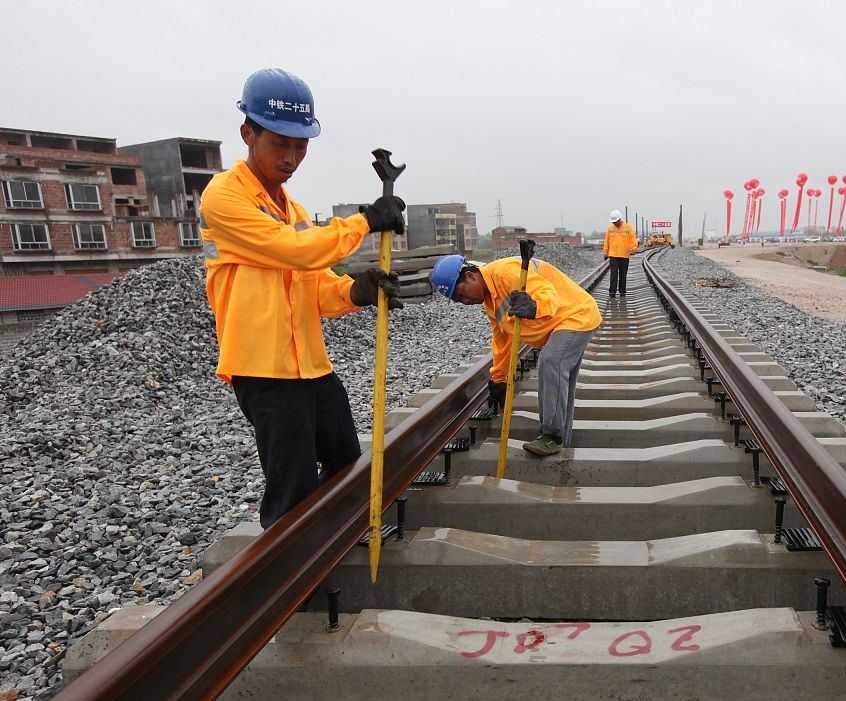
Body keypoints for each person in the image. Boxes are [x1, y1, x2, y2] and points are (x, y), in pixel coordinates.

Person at [200, 67, 407, 528]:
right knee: (291, 487)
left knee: (345, 461)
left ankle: (336, 544)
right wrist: (364, 222)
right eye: (281, 142)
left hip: (309, 361)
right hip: (262, 365)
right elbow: (294, 251)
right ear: (248, 134)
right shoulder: (224, 197)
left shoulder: (288, 206)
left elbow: (310, 282)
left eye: (301, 145)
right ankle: (289, 580)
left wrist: (356, 290)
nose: (293, 156)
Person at [430, 251, 601, 456]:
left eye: (461, 293)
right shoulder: (490, 303)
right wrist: (500, 378)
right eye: (457, 300)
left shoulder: (504, 274)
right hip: (561, 323)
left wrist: (535, 306)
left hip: (575, 315)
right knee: (562, 384)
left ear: (470, 276)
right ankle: (561, 442)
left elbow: (546, 292)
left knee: (551, 363)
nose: (463, 301)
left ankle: (551, 436)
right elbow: (503, 340)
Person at [603, 210, 638, 297]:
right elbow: (606, 241)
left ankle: (622, 291)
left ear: (620, 219)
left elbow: (633, 238)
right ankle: (612, 292)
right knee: (613, 274)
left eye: (615, 221)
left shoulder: (628, 228)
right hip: (613, 255)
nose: (614, 223)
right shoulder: (610, 229)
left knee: (623, 274)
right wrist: (605, 252)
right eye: (613, 222)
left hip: (624, 255)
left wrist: (634, 248)